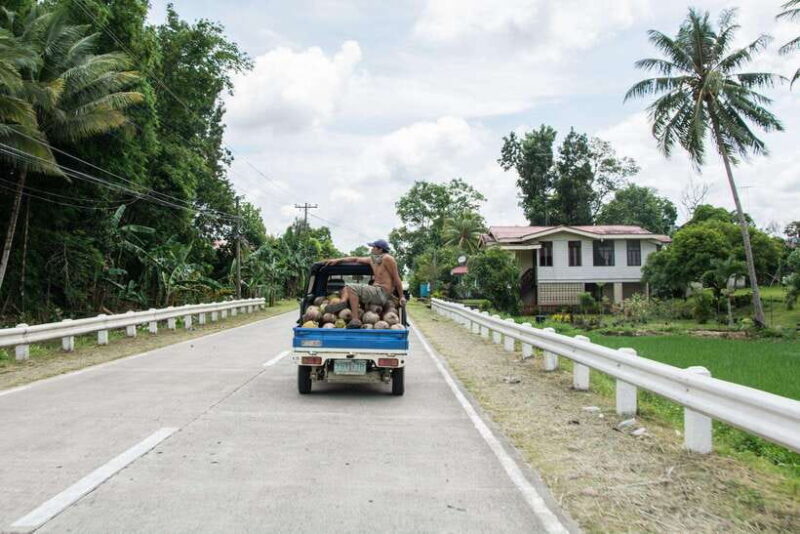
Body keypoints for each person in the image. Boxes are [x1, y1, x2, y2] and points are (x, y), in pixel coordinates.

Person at [323, 239, 406, 328]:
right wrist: (338, 260)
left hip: (381, 292)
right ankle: (342, 303)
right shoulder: (373, 260)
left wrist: (401, 296)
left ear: (380, 249)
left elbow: (396, 278)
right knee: (346, 288)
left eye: (373, 247)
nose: (371, 249)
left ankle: (355, 320)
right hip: (375, 292)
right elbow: (355, 259)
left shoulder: (388, 258)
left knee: (352, 288)